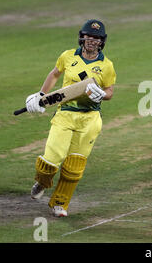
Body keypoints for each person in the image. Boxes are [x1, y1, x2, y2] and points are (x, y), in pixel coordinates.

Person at [25, 19, 116, 217]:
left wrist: (102, 94)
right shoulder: (68, 56)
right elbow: (55, 74)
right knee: (50, 160)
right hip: (65, 113)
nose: (91, 41)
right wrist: (42, 95)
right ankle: (42, 182)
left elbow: (110, 91)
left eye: (96, 38)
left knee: (75, 166)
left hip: (90, 119)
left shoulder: (106, 65)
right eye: (88, 36)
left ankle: (60, 203)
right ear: (82, 37)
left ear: (102, 42)